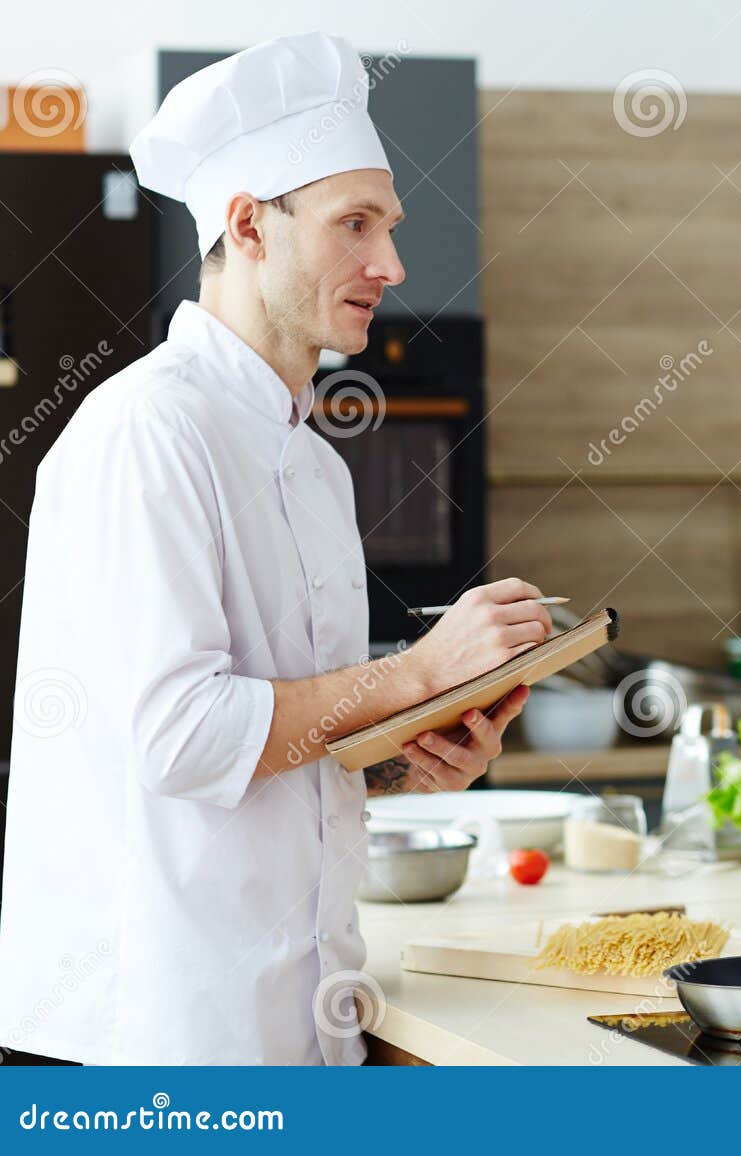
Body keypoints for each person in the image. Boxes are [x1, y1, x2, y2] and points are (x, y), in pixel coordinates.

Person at [0, 33, 551, 1064]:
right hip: (157, 1035)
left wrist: (406, 758)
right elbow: (182, 737)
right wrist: (419, 670)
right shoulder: (148, 431)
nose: (391, 264)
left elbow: (285, 742)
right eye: (354, 224)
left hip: (303, 1011)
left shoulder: (316, 464)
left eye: (387, 225)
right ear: (248, 225)